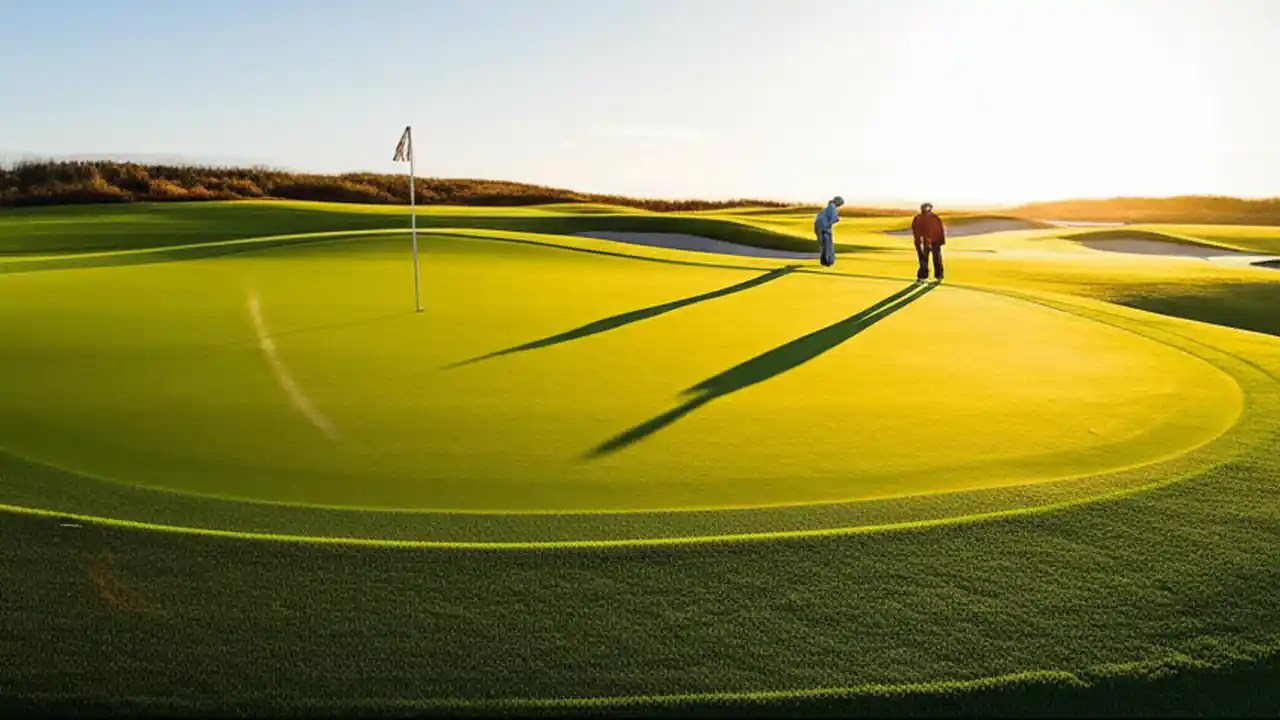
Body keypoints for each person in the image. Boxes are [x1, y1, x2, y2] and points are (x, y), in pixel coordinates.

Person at [910, 202, 946, 282]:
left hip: (935, 241)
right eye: (925, 207)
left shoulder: (935, 217)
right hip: (923, 242)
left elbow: (940, 230)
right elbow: (916, 231)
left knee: (937, 259)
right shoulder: (918, 218)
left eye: (928, 207)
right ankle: (922, 277)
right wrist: (919, 242)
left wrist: (940, 241)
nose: (927, 209)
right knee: (923, 260)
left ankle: (939, 276)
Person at [814, 196, 844, 267]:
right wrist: (836, 220)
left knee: (824, 245)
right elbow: (832, 220)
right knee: (828, 245)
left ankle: (824, 261)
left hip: (820, 228)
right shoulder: (832, 208)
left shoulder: (827, 208)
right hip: (825, 229)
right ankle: (828, 262)